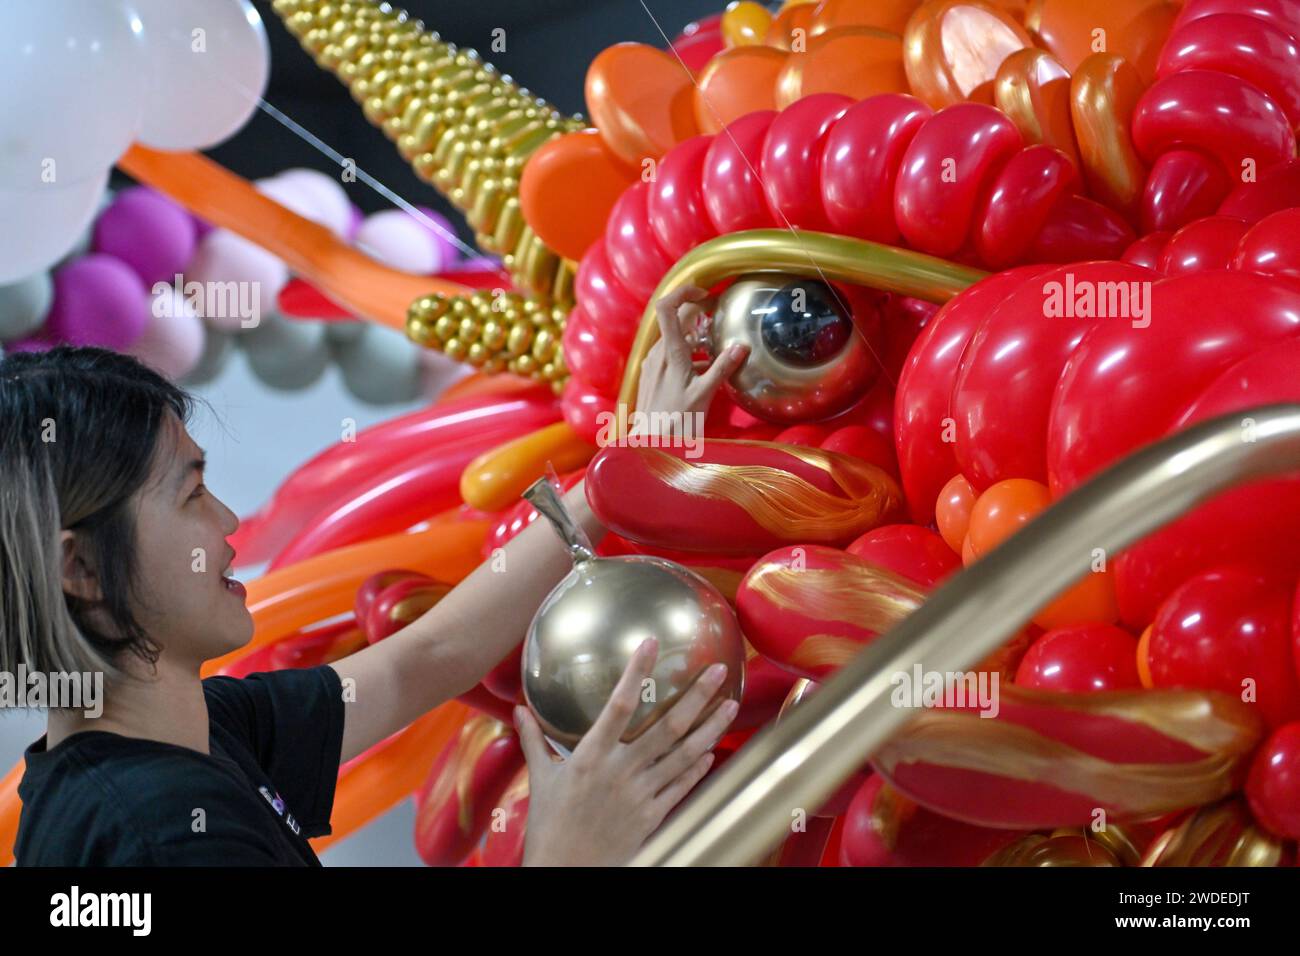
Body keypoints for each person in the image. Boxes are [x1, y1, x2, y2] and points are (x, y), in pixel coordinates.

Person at [2, 285, 749, 866]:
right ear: (82, 567)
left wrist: (627, 473)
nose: (227, 522)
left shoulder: (195, 736)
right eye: (191, 493)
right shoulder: (161, 839)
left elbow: (429, 656)